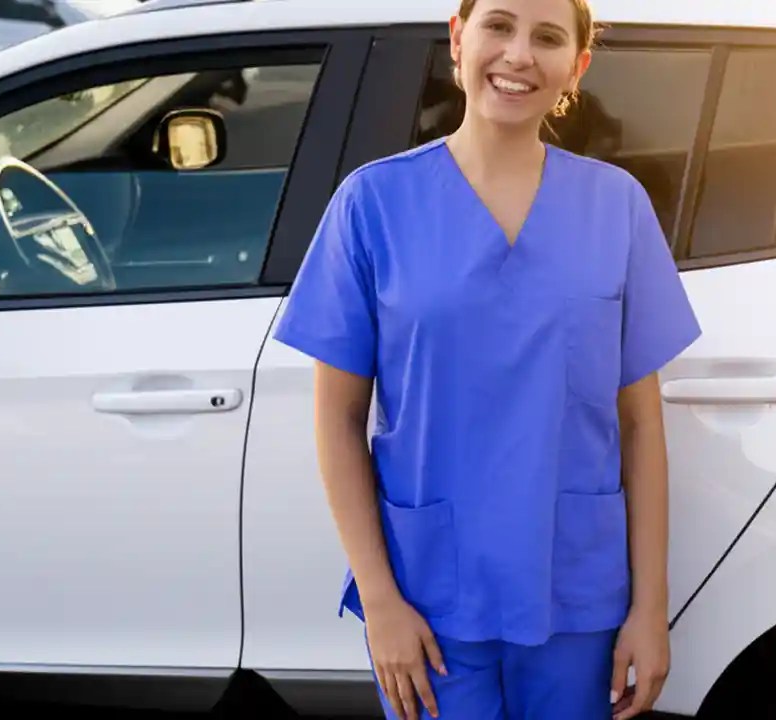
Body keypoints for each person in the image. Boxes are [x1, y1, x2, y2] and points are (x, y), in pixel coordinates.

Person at [271, 0, 701, 717]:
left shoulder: (616, 207)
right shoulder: (372, 204)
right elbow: (337, 421)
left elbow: (640, 428)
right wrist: (379, 600)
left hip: (576, 591)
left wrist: (649, 611)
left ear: (577, 67)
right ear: (457, 40)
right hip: (428, 593)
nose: (519, 54)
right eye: (498, 25)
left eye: (548, 37)